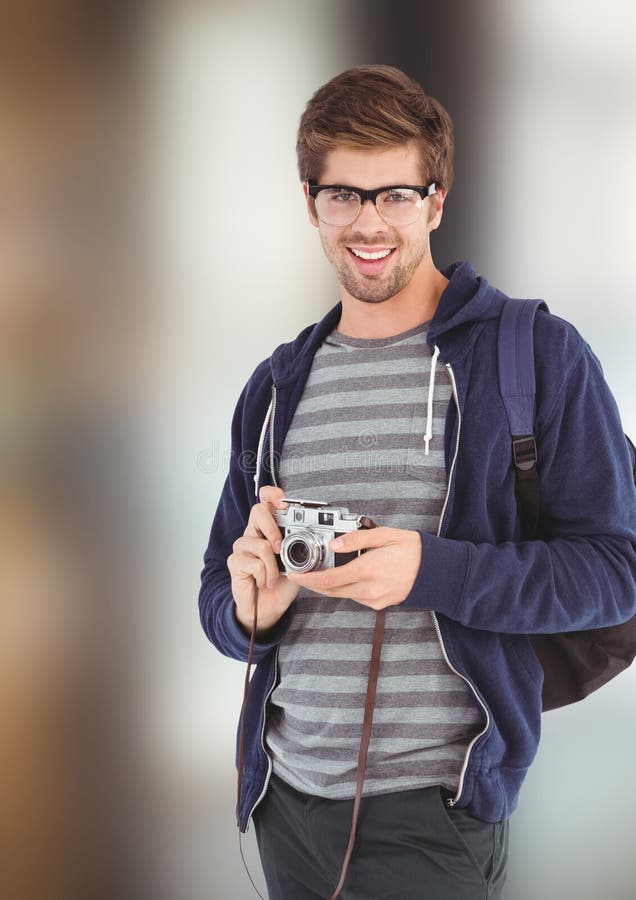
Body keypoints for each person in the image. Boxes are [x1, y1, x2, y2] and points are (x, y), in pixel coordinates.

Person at [198, 65, 636, 899]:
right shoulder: (275, 386)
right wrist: (248, 609)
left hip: (435, 818)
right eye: (344, 196)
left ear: (435, 202)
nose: (369, 223)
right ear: (311, 203)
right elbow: (218, 599)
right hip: (281, 803)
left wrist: (429, 572)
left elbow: (616, 572)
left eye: (395, 194)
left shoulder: (537, 355)